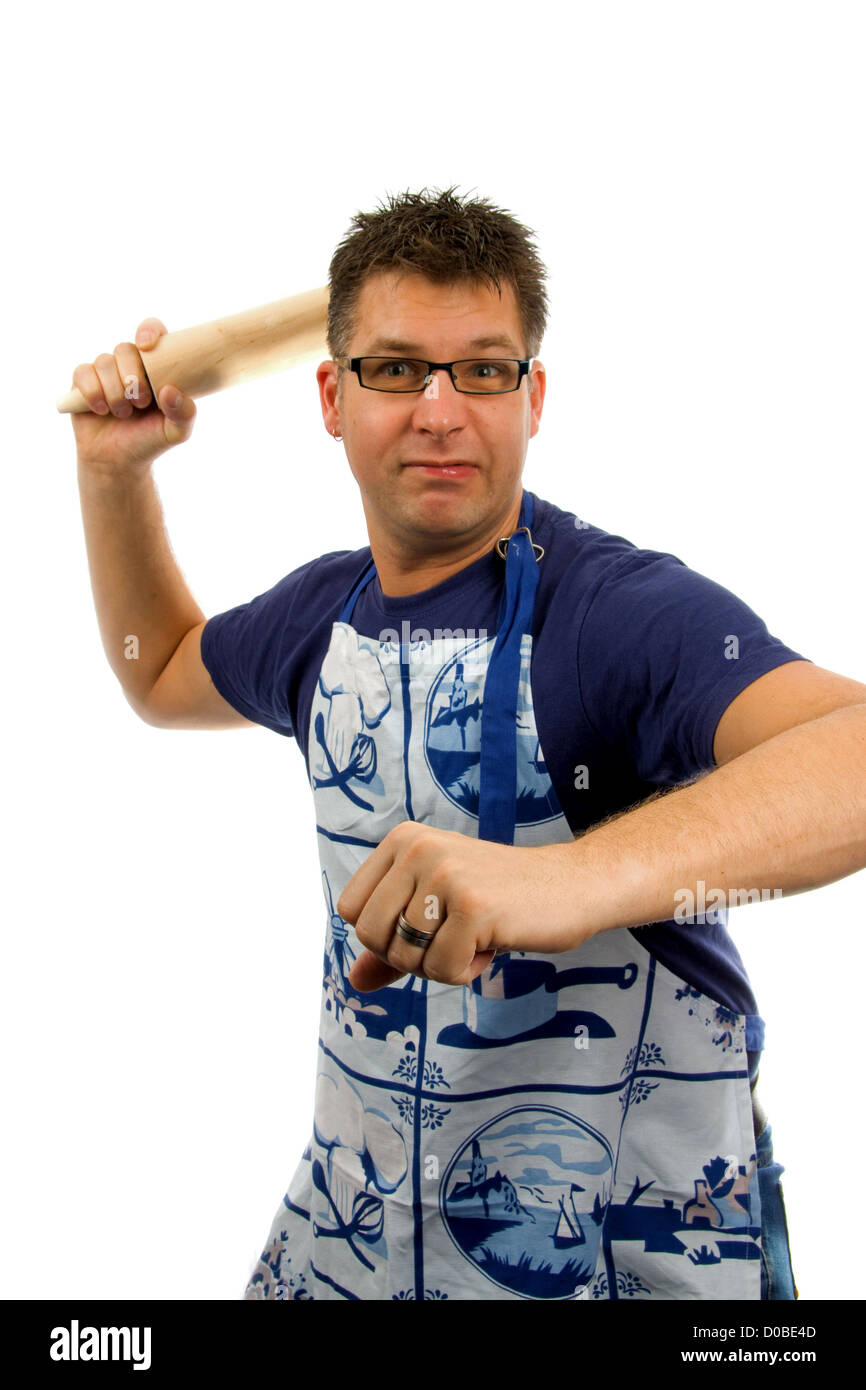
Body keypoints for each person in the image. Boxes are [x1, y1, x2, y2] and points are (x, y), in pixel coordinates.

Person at [70, 186, 866, 1302]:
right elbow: (160, 668)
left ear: (531, 397)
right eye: (394, 368)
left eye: (482, 369)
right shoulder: (320, 616)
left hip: (611, 1261)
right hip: (347, 1239)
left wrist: (567, 878)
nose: (440, 409)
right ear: (330, 399)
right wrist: (115, 471)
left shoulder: (616, 614)